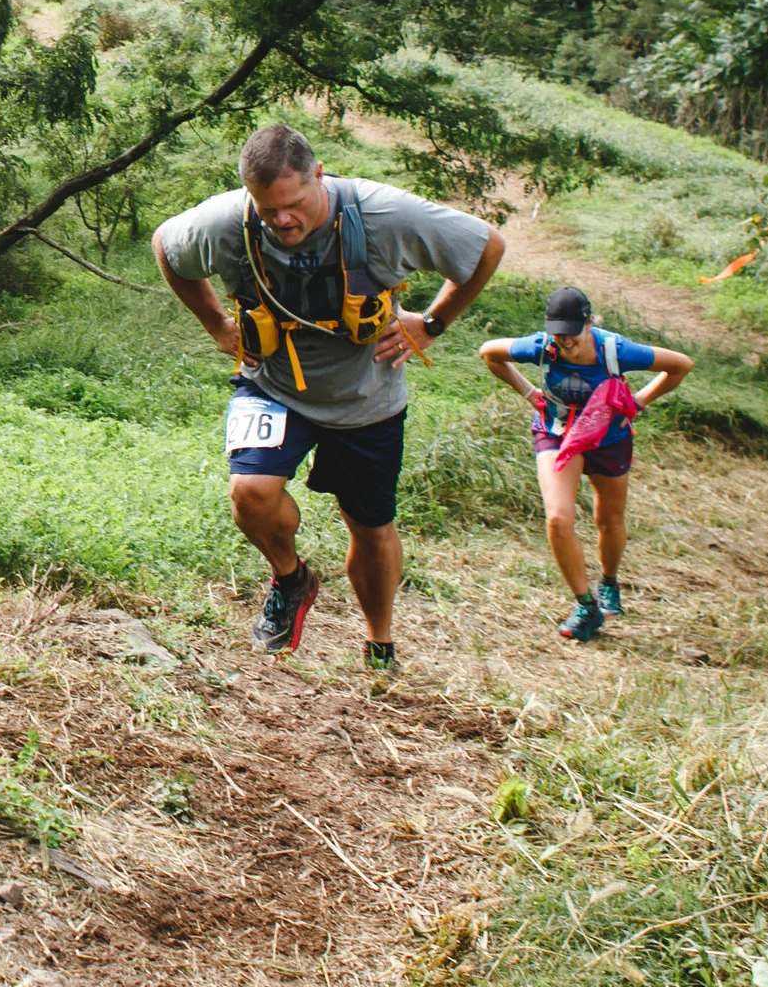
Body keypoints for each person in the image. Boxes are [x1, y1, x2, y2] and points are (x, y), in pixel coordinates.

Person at [153, 124, 506, 670]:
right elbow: (166, 248)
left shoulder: (384, 215)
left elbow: (487, 244)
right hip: (272, 384)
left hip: (366, 398)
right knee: (250, 492)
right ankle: (291, 580)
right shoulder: (228, 221)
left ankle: (379, 643)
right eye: (268, 209)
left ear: (319, 176)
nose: (282, 220)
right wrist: (217, 324)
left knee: (369, 525)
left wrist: (431, 324)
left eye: (292, 204)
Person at [479, 286, 694, 642]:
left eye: (572, 335)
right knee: (558, 518)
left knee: (608, 520)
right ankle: (586, 606)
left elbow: (680, 365)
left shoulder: (615, 350)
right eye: (558, 334)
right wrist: (530, 393)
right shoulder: (543, 346)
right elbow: (489, 353)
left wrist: (638, 402)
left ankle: (609, 582)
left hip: (608, 438)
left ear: (589, 323)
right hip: (558, 434)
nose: (565, 343)